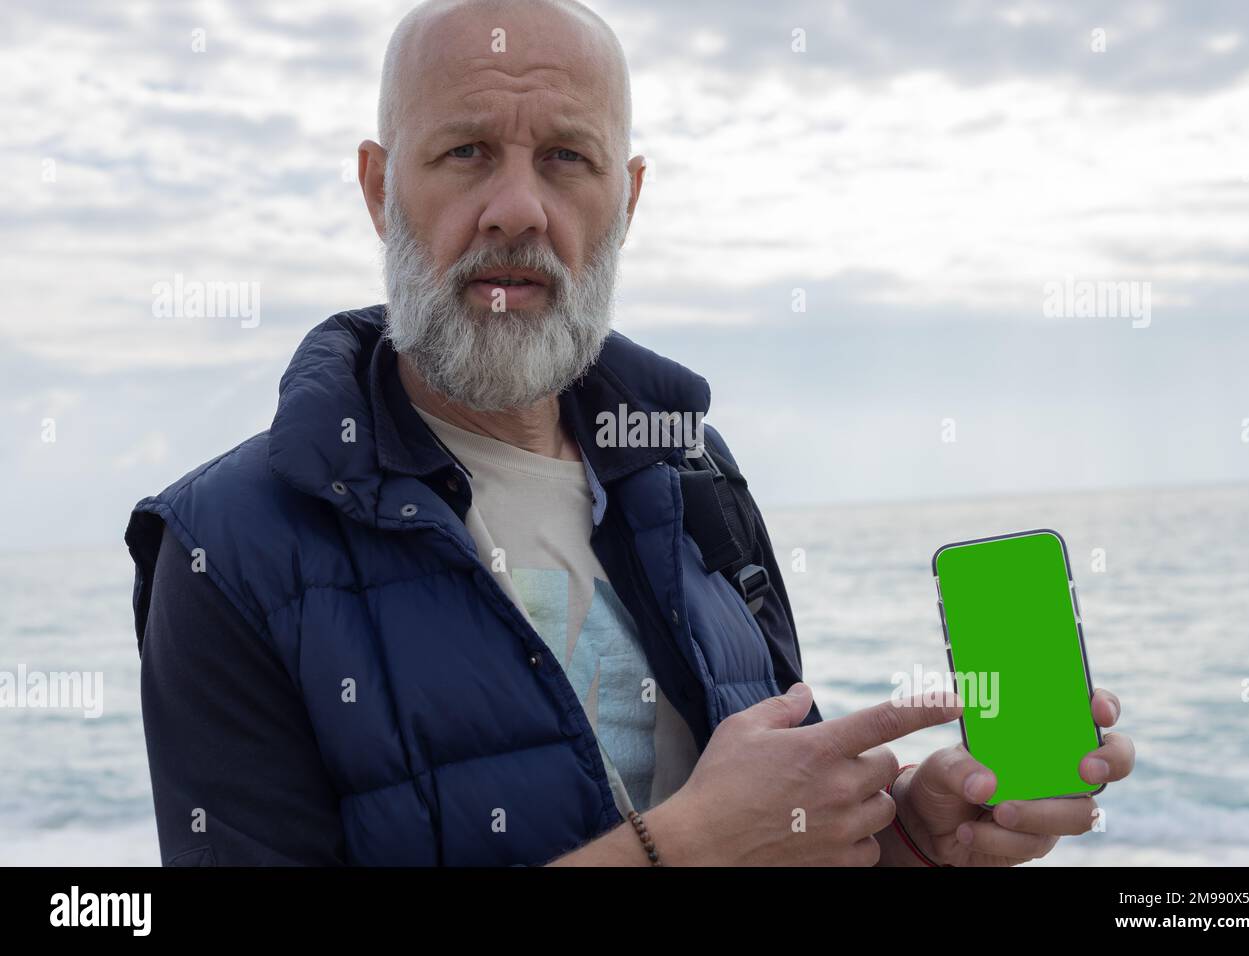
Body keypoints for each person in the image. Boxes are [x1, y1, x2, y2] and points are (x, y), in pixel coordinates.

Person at [125, 0, 1133, 866]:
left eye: (566, 158)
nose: (515, 209)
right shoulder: (226, 547)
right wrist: (682, 847)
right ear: (379, 188)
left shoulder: (686, 464)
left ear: (628, 198)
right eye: (466, 151)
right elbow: (716, 836)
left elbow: (771, 833)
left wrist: (908, 838)